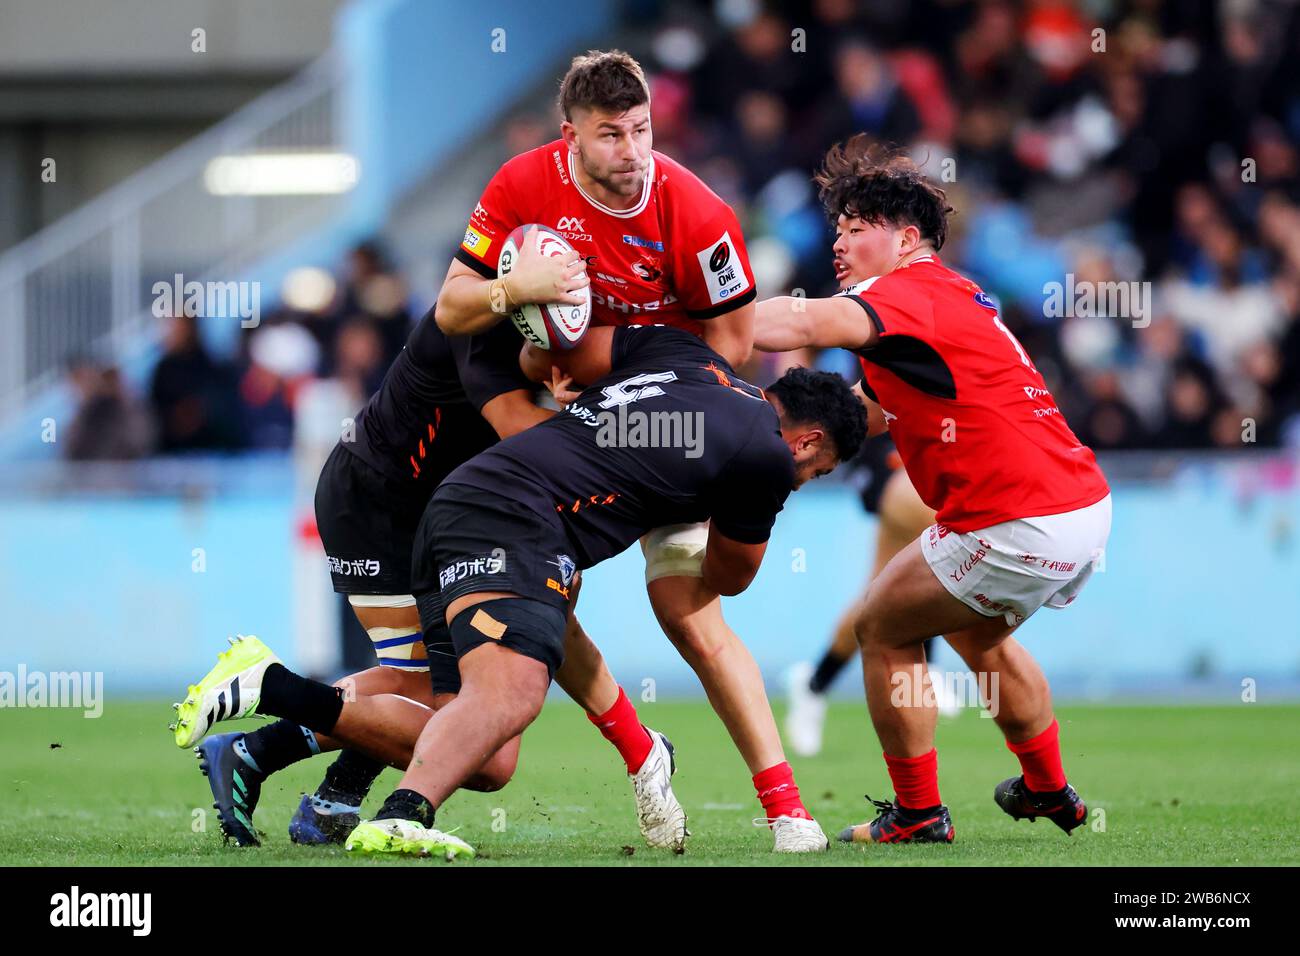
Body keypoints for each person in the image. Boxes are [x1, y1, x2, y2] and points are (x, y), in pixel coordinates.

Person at [175, 324, 867, 858]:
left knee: (491, 756)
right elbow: (729, 577)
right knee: (511, 696)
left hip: (464, 505)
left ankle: (271, 696)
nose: (804, 480)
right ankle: (399, 816)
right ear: (805, 443)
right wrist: (701, 507)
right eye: (818, 471)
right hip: (509, 519)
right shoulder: (766, 455)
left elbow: (558, 358)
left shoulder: (685, 357)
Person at [433, 49, 826, 848]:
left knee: (689, 614)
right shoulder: (520, 186)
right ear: (570, 133)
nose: (632, 152)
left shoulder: (698, 211)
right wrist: (524, 295)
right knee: (546, 596)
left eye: (642, 130)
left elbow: (736, 345)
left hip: (667, 420)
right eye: (611, 135)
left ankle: (788, 811)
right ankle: (642, 756)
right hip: (564, 416)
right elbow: (452, 311)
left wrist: (615, 356)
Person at [754, 137, 1111, 843]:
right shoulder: (952, 298)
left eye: (858, 229)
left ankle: (918, 814)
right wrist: (805, 447)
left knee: (880, 625)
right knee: (979, 639)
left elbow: (798, 321)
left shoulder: (902, 293)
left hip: (1016, 517)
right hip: (1080, 506)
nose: (840, 243)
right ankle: (1048, 789)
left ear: (907, 238)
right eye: (838, 230)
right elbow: (874, 412)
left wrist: (693, 317)